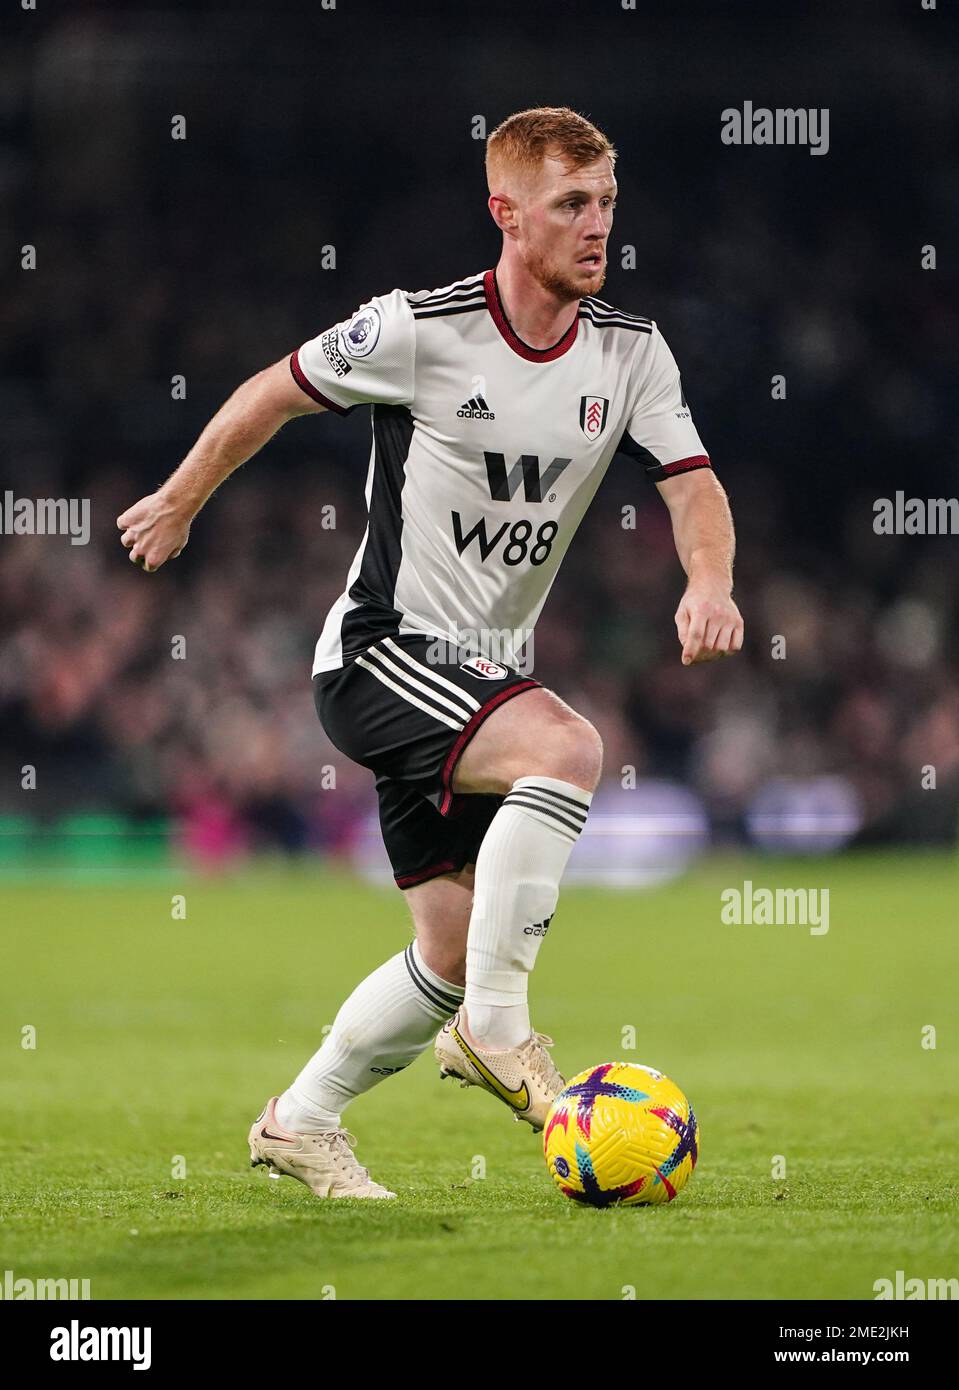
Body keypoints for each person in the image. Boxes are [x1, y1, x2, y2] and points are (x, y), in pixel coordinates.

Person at [117, 106, 743, 1199]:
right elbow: (271, 392)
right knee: (567, 746)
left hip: (479, 676)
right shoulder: (418, 328)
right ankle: (502, 1035)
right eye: (570, 206)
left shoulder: (629, 349)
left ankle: (298, 1120)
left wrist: (708, 581)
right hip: (382, 652)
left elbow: (690, 483)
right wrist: (177, 501)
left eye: (605, 203)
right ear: (504, 213)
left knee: (445, 957)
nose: (597, 227)